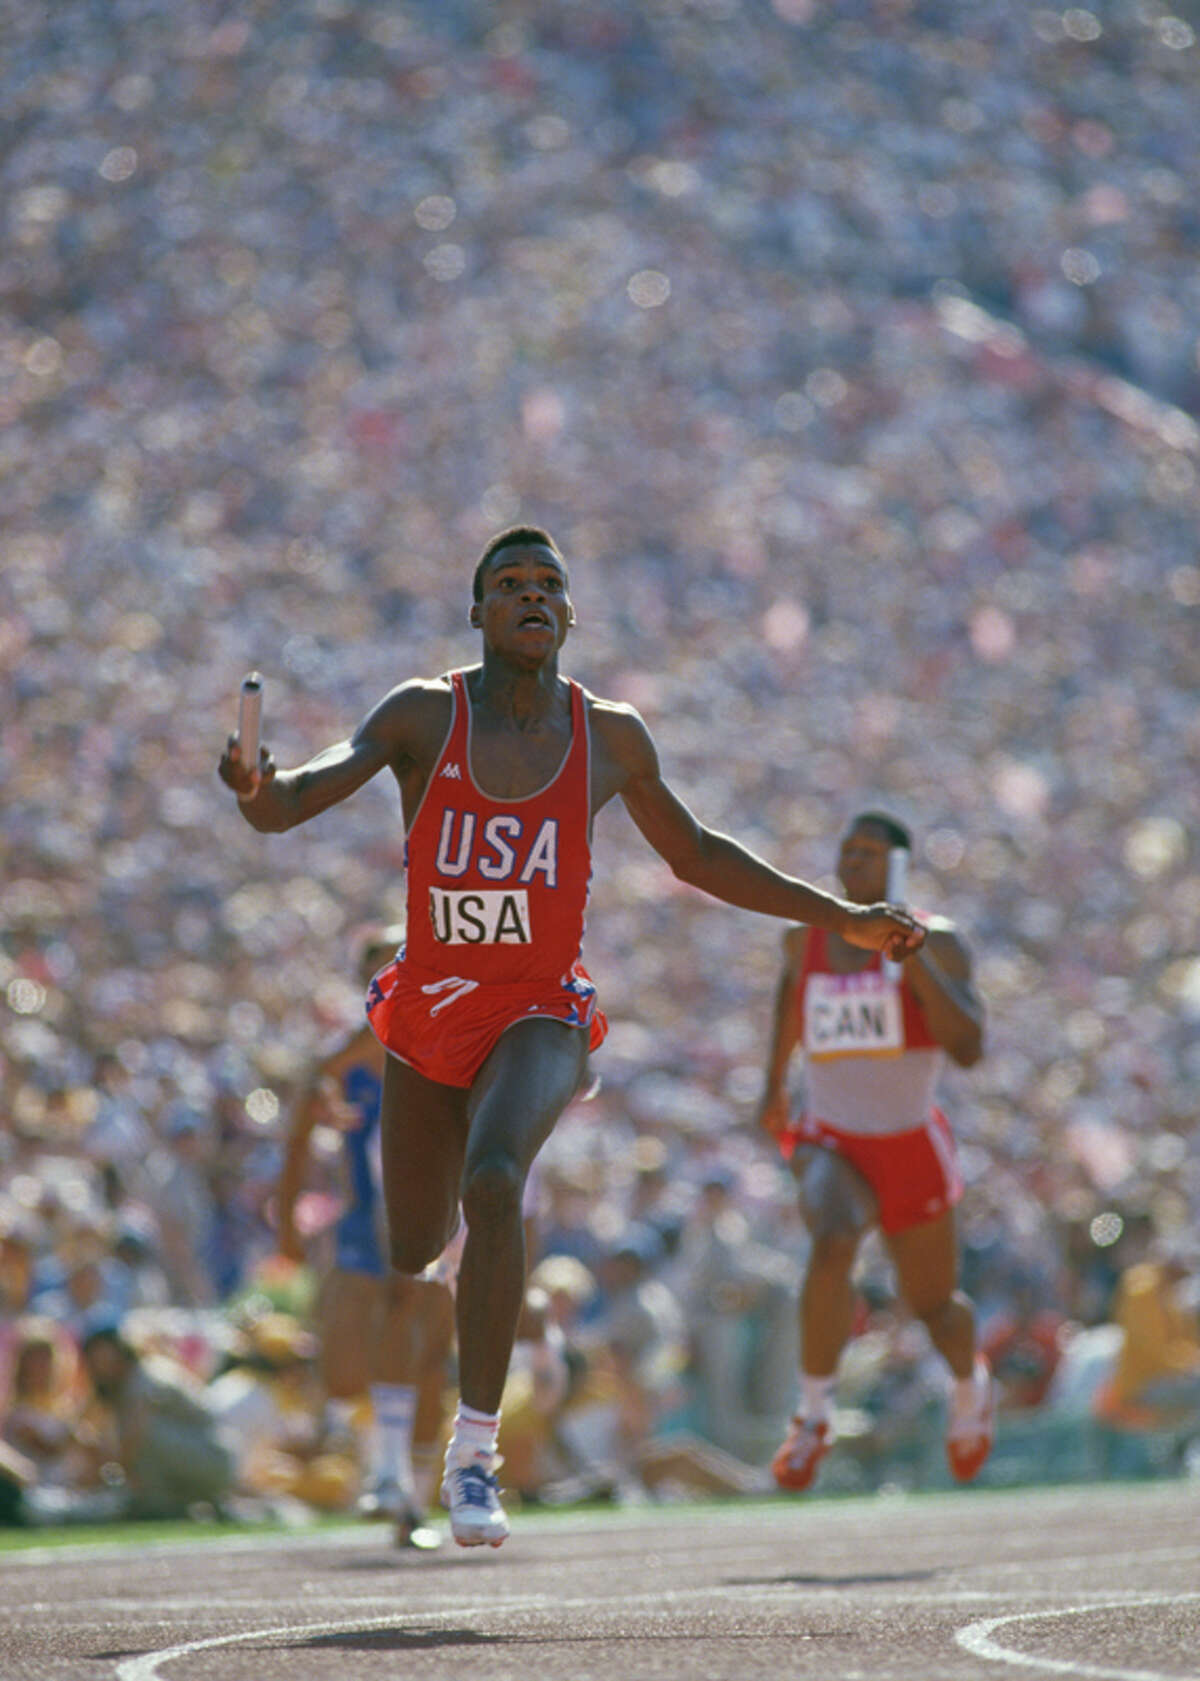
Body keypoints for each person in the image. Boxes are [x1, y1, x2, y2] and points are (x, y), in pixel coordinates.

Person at [219, 526, 922, 1548]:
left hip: (539, 1007)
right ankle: (464, 1325)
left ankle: (472, 1456)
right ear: (479, 613)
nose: (532, 596)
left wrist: (836, 915)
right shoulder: (424, 714)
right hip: (425, 1016)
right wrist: (251, 785)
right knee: (415, 1245)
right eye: (509, 584)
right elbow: (290, 804)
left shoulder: (610, 735)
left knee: (496, 1180)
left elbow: (698, 853)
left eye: (550, 584)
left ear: (571, 614)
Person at [758, 810, 993, 1492]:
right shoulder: (806, 938)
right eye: (846, 850)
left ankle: (970, 1383)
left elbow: (970, 1046)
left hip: (909, 1142)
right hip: (830, 1133)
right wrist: (773, 1083)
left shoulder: (940, 942)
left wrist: (912, 957)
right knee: (831, 1240)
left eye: (868, 852)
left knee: (935, 1308)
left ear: (897, 865)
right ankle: (813, 1414)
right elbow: (787, 1005)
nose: (852, 862)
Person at [275, 927, 455, 1548]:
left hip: (436, 1216)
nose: (395, 976)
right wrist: (285, 1217)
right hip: (360, 1219)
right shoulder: (347, 1055)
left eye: (403, 963)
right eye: (382, 967)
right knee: (348, 1362)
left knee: (426, 1357)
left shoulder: (446, 1038)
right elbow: (302, 1128)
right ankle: (382, 1464)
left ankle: (406, 1491)